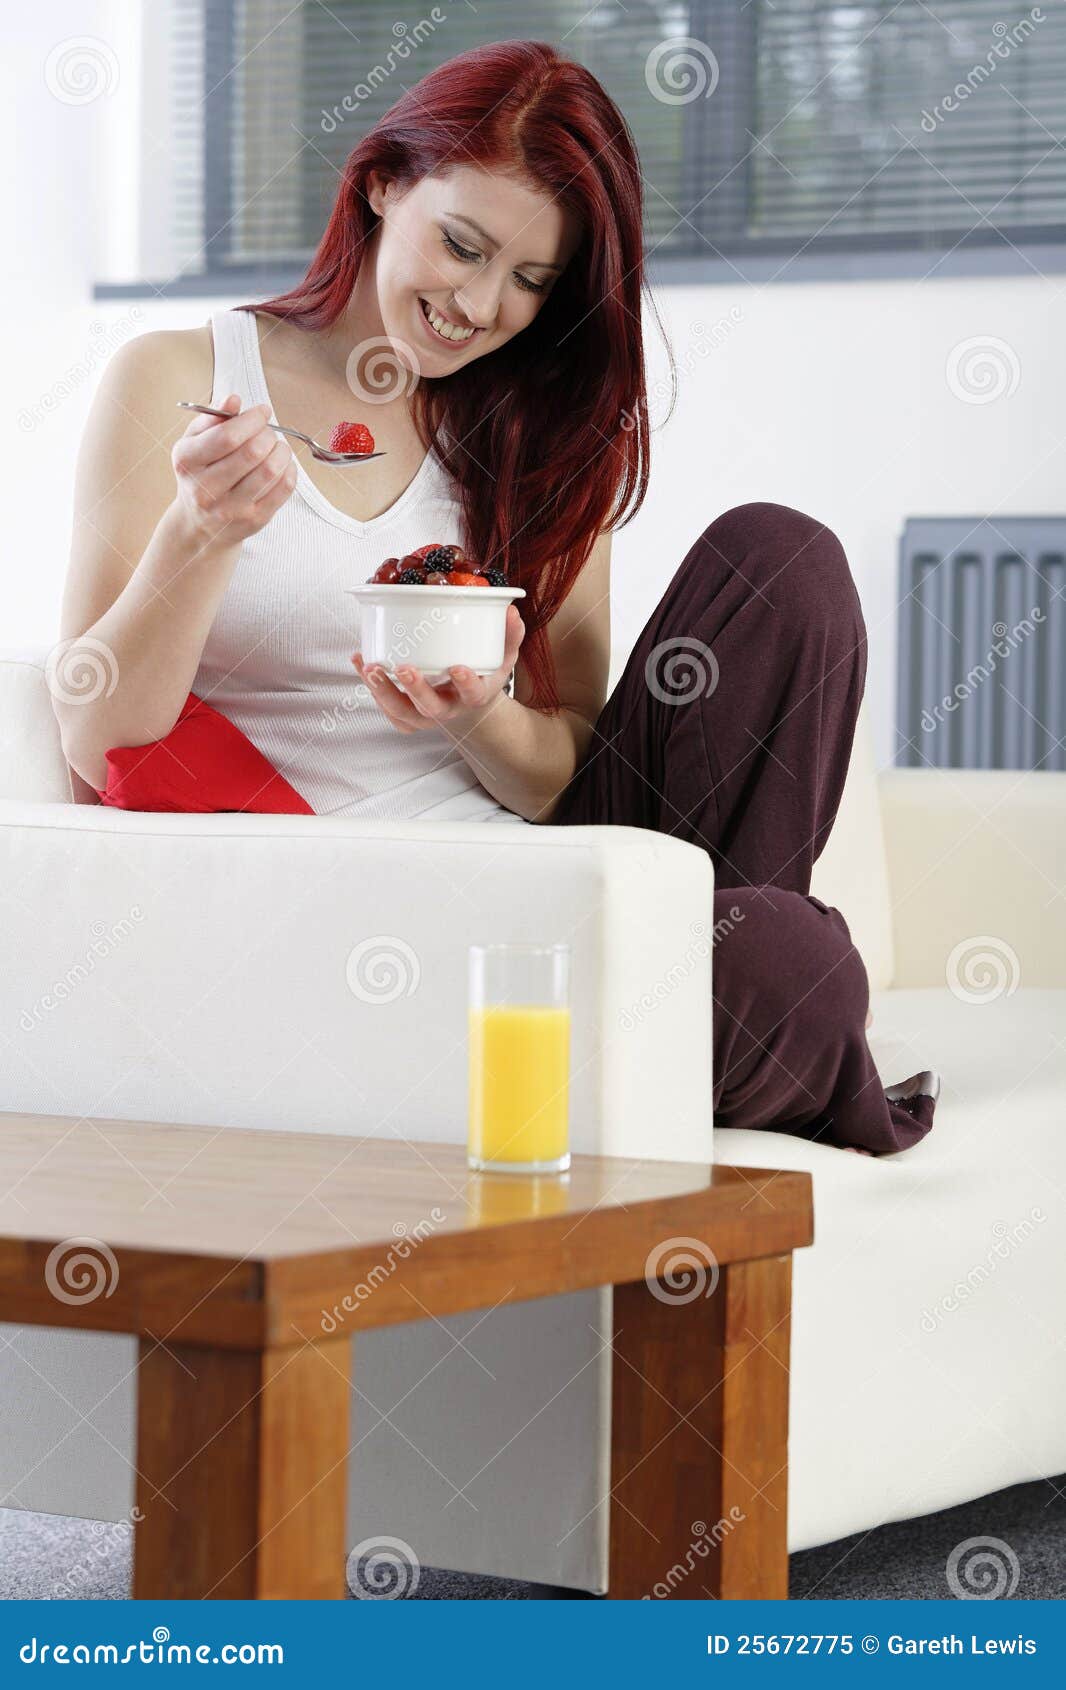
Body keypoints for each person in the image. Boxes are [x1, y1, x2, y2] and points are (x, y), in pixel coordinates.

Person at [55, 39, 936, 1154]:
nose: (477, 306)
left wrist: (479, 716)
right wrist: (199, 533)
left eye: (530, 282)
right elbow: (95, 728)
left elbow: (563, 766)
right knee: (786, 971)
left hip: (544, 873)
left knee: (780, 559)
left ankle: (723, 992)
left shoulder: (547, 433)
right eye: (460, 247)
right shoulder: (181, 382)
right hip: (372, 937)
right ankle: (741, 1007)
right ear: (382, 183)